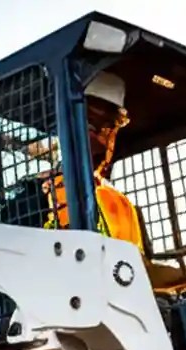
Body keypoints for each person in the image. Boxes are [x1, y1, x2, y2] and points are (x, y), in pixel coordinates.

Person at [25, 72, 144, 253]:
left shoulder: (121, 204)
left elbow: (142, 265)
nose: (98, 138)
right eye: (90, 123)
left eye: (107, 127)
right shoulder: (36, 195)